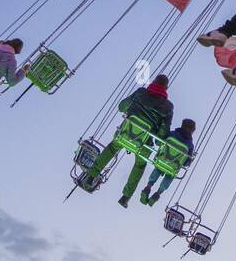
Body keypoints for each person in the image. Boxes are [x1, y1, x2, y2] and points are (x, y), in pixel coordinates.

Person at [81, 76, 174, 207]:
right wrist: (156, 135)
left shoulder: (141, 92)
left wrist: (130, 111)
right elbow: (163, 134)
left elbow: (122, 106)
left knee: (113, 148)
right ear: (166, 88)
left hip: (125, 133)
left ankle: (91, 175)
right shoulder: (168, 107)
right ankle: (126, 196)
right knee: (139, 165)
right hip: (143, 143)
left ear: (153, 82)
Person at [139, 118, 196, 206]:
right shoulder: (190, 145)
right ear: (192, 131)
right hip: (173, 167)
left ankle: (148, 186)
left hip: (162, 160)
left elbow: (161, 143)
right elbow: (186, 163)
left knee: (158, 169)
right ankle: (158, 193)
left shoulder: (172, 134)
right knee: (170, 175)